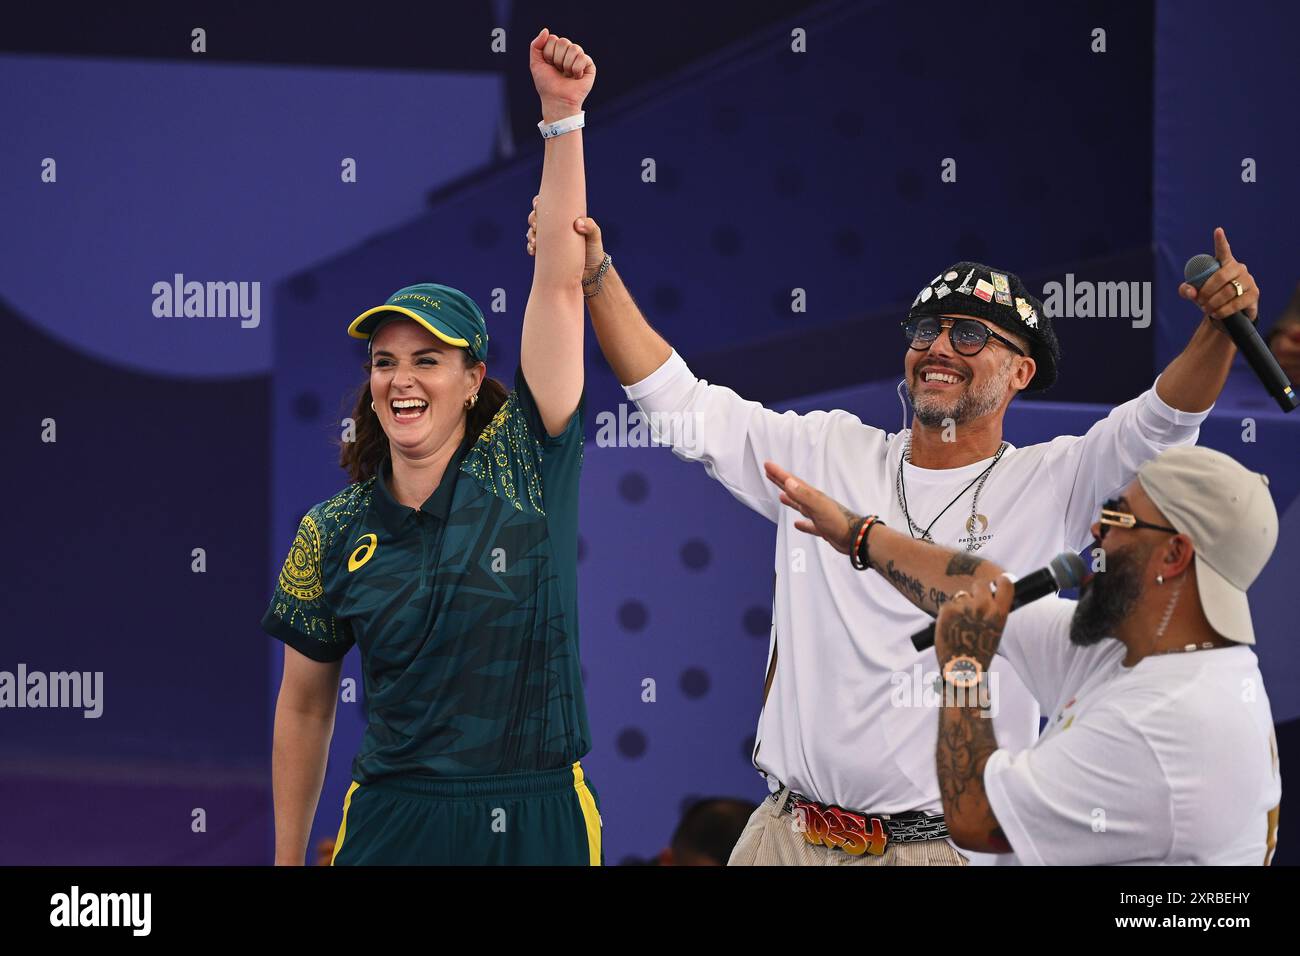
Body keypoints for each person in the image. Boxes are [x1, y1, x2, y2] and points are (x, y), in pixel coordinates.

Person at [526, 213, 1260, 865]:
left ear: (1020, 373)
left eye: (969, 334)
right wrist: (596, 277)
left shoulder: (1061, 478)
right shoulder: (827, 451)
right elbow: (681, 405)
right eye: (925, 330)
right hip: (785, 836)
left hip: (938, 851)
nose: (939, 346)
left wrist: (1217, 332)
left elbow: (1163, 418)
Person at [263, 28, 600, 866]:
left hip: (539, 815)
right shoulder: (332, 529)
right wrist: (283, 857)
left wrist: (562, 119)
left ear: (472, 374)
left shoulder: (528, 459)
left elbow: (560, 280)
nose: (400, 380)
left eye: (427, 359)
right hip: (395, 822)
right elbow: (305, 708)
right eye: (384, 361)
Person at [771, 444, 1281, 864]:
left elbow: (979, 821)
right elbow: (983, 592)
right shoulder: (1147, 654)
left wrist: (963, 670)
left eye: (1118, 517)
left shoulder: (1167, 720)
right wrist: (860, 535)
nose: (1096, 531)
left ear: (1174, 555)